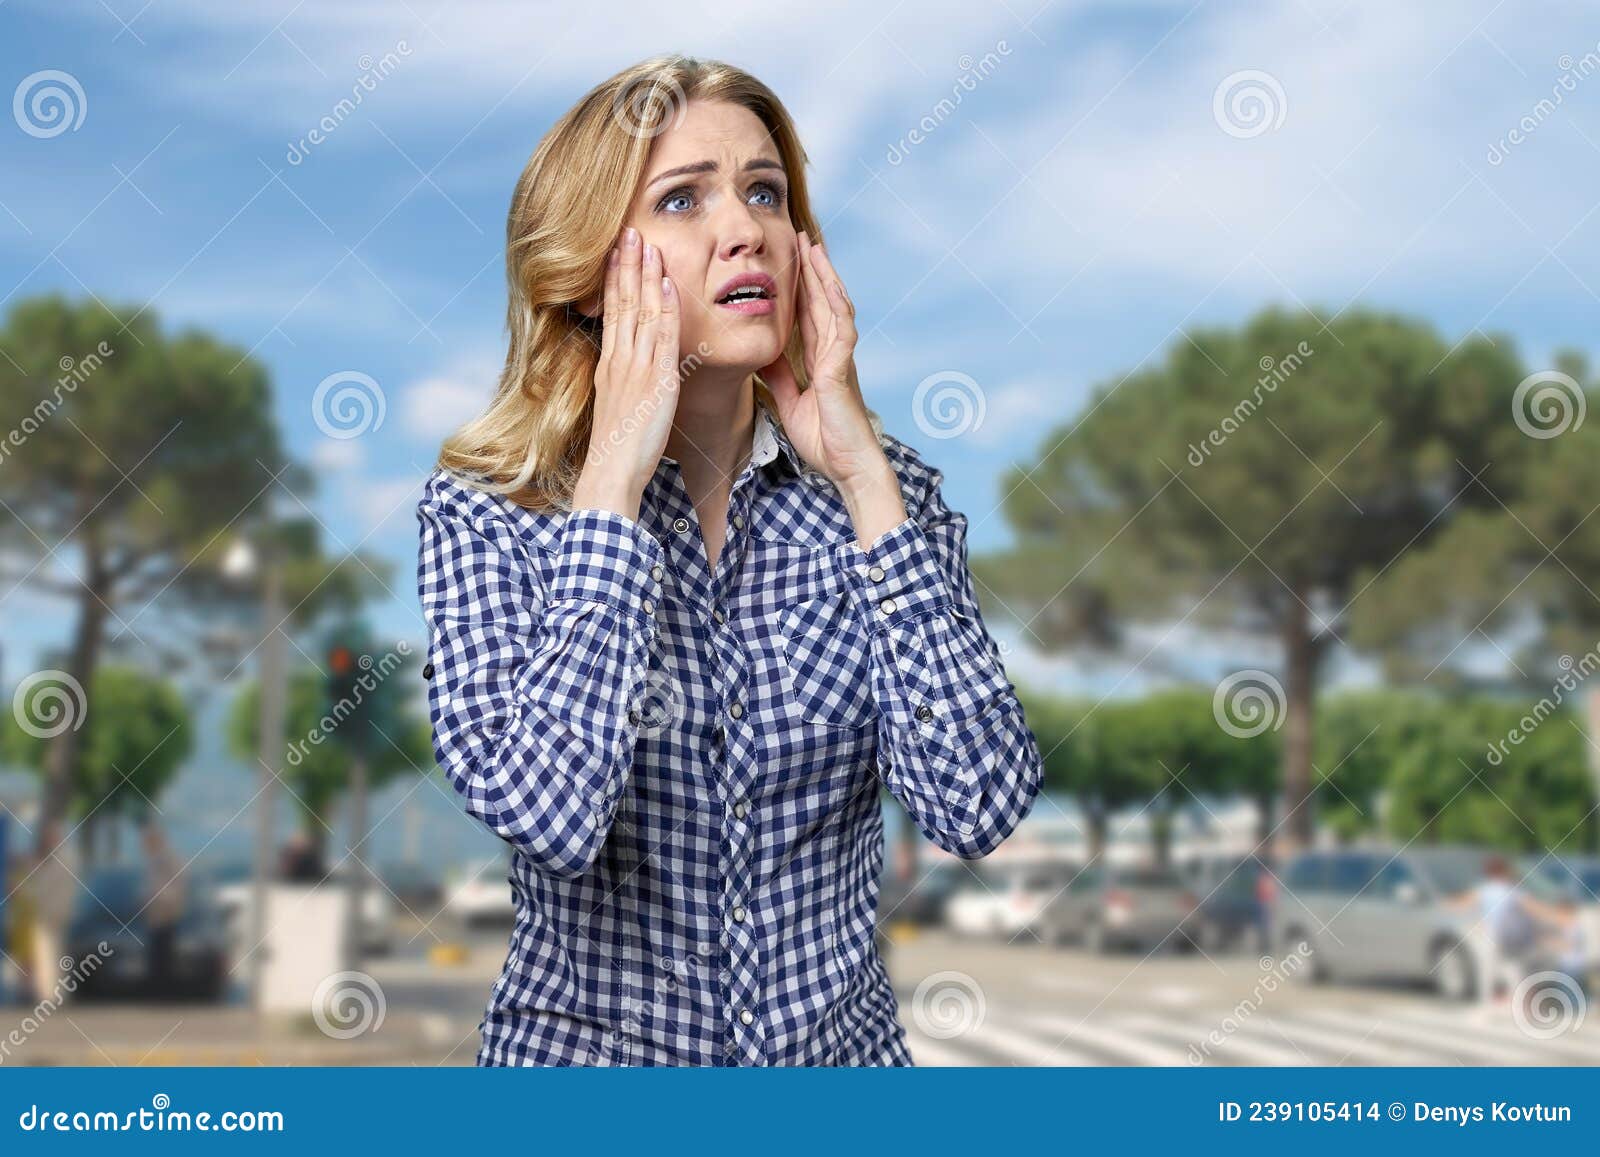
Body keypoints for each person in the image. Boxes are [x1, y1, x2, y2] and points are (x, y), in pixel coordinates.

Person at [416, 54, 1044, 1067]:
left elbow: (977, 804)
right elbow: (548, 813)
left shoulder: (888, 496)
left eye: (764, 189)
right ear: (584, 274)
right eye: (682, 198)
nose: (744, 227)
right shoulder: (491, 509)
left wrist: (867, 483)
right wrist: (612, 493)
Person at [26, 820, 79, 1004]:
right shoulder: (68, 857)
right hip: (60, 912)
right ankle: (57, 993)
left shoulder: (57, 859)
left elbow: (43, 888)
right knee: (57, 953)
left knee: (47, 954)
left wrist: (34, 875)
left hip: (49, 913)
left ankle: (50, 994)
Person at [140, 820, 187, 1001]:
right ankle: (157, 994)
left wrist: (157, 895)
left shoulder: (169, 860)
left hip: (166, 915)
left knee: (164, 957)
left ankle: (164, 996)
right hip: (155, 916)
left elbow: (177, 888)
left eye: (148, 842)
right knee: (156, 957)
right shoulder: (154, 861)